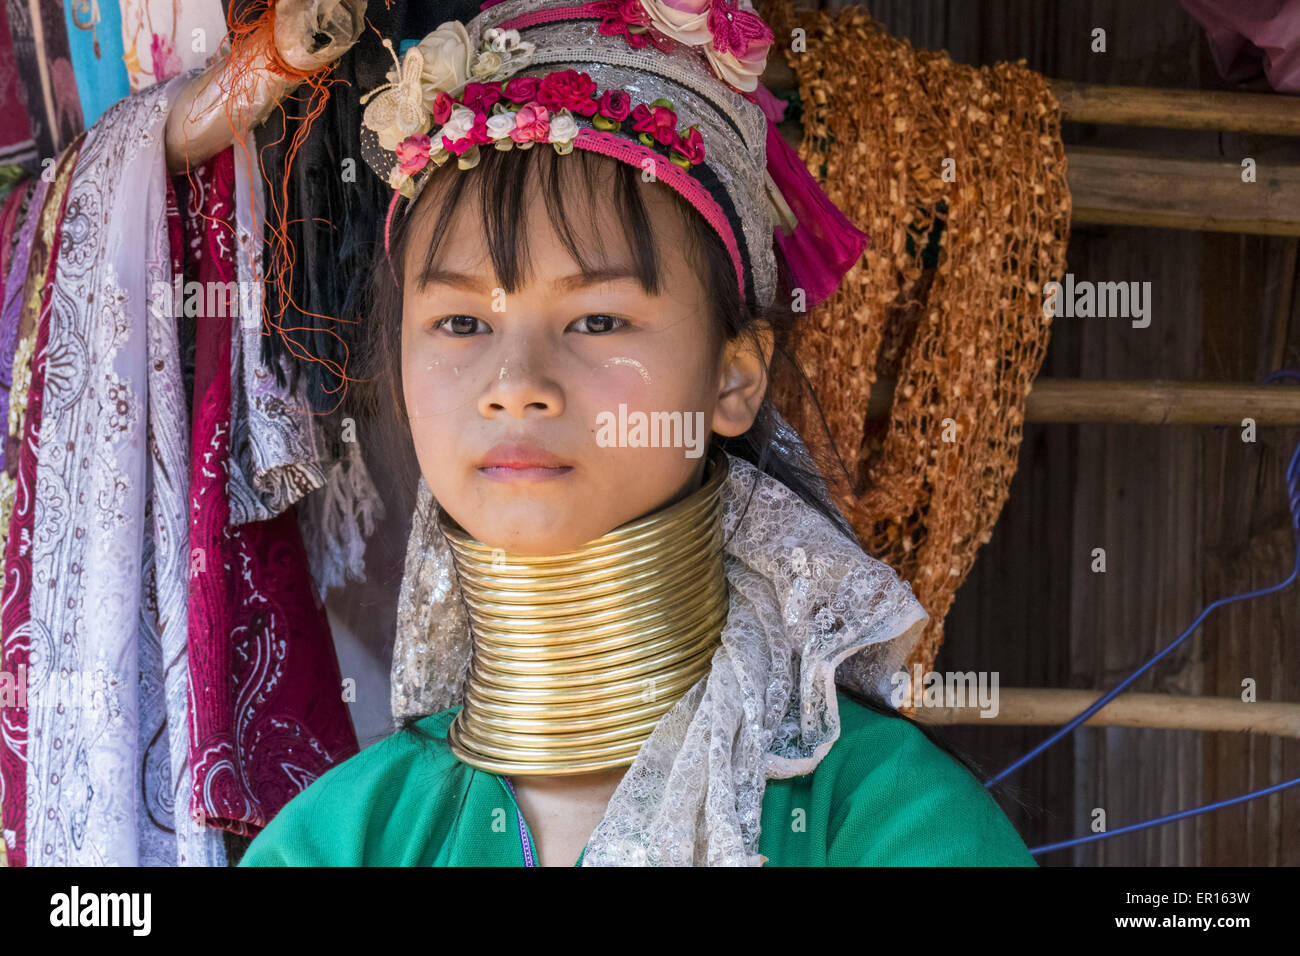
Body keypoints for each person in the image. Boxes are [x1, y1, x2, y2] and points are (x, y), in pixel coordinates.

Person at [236, 0, 1038, 867]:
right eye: (462, 324)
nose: (517, 388)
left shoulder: (890, 828)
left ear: (733, 377)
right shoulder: (340, 843)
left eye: (599, 321)